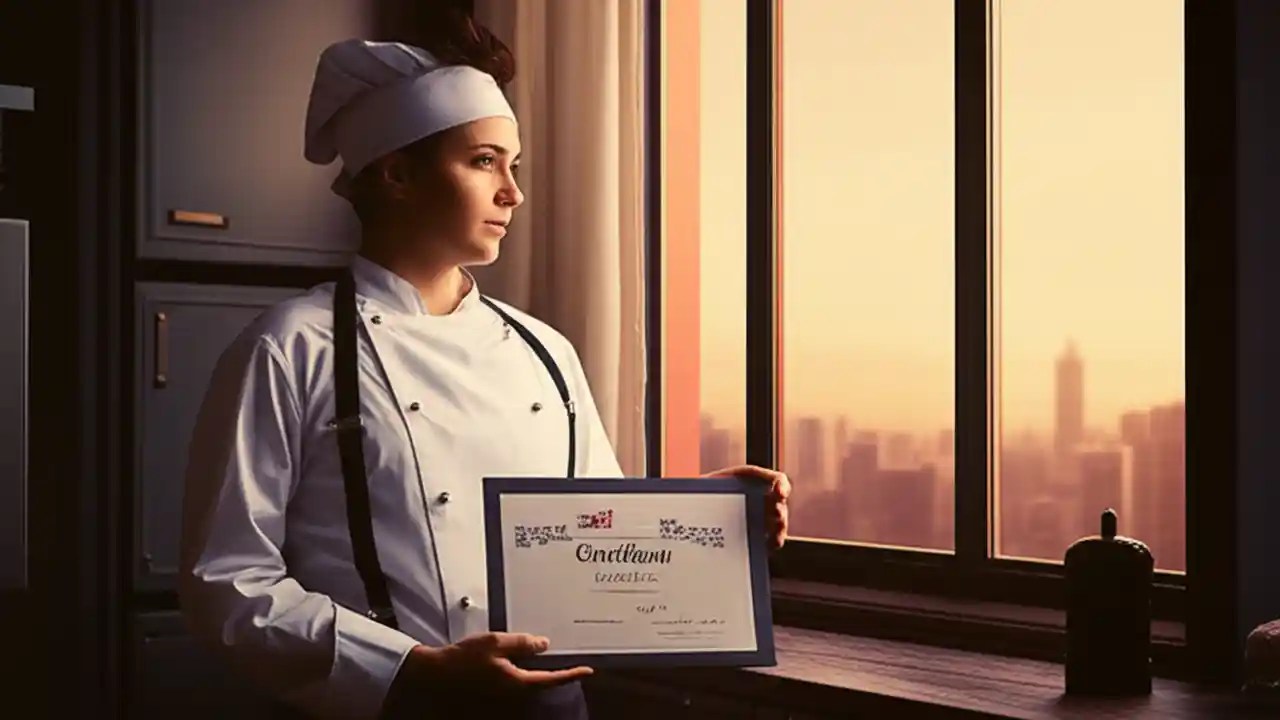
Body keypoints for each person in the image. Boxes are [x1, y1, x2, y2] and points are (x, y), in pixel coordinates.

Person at [177, 13, 791, 720]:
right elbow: (228, 582)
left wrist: (709, 513)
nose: (513, 193)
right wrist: (410, 668)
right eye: (484, 161)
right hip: (396, 706)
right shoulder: (289, 349)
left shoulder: (545, 351)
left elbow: (594, 533)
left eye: (514, 165)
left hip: (555, 706)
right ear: (397, 173)